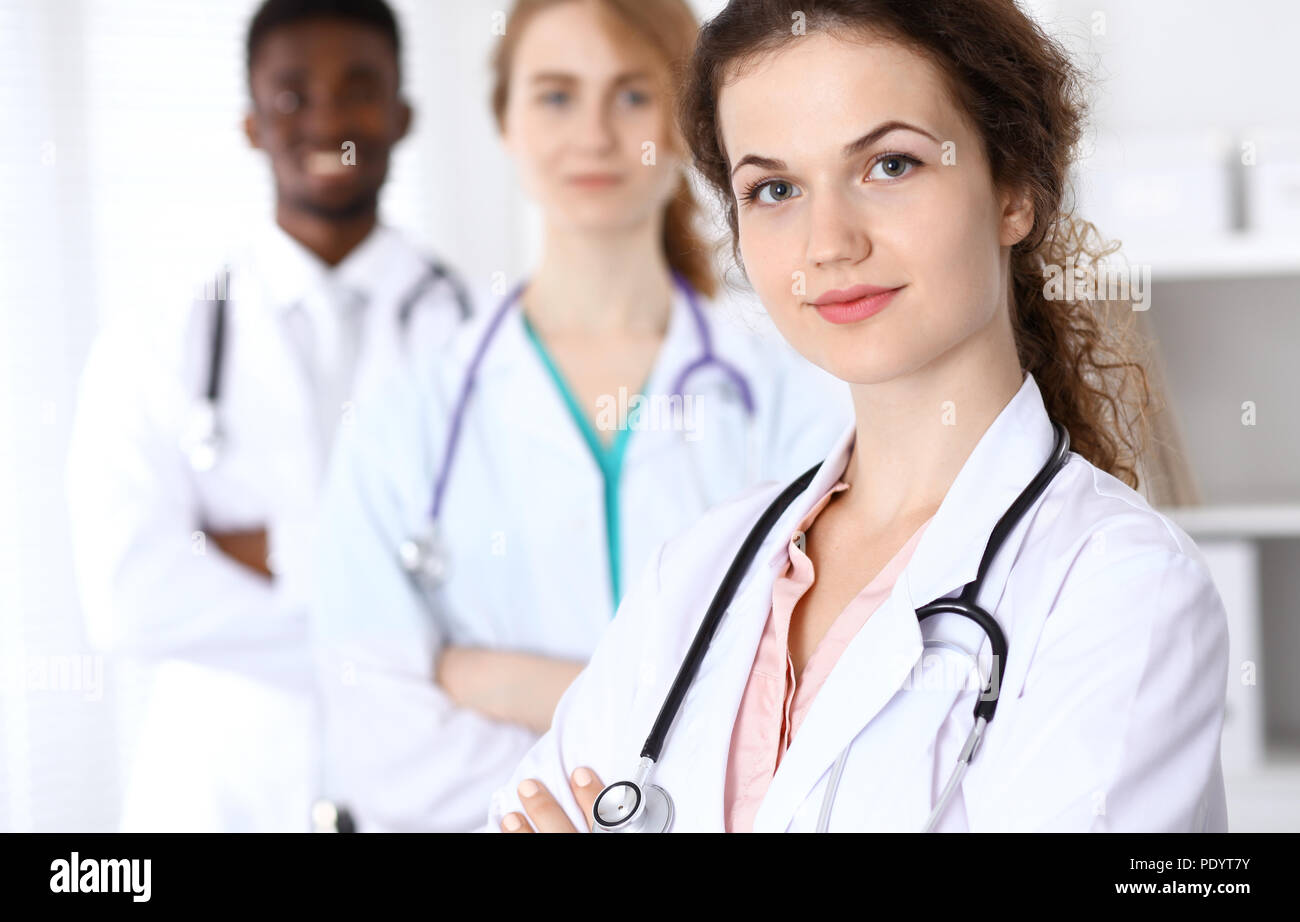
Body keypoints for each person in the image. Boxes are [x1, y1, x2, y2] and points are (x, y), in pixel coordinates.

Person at [490, 0, 1230, 833]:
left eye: (890, 165)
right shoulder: (695, 575)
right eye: (774, 189)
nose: (828, 242)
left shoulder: (1118, 589)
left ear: (1014, 187)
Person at [309, 0, 852, 832]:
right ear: (505, 121)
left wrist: (497, 681)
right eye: (556, 96)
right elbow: (383, 755)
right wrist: (660, 773)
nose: (595, 134)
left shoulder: (795, 392)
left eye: (633, 95)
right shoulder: (405, 418)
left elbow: (815, 709)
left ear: (689, 125)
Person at [65, 0, 468, 832]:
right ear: (251, 123)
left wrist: (255, 548)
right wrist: (377, 581)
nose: (325, 117)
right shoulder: (158, 335)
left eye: (358, 88)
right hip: (220, 794)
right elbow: (129, 597)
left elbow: (506, 578)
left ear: (401, 116)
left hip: (426, 788)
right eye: (290, 94)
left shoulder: (479, 336)